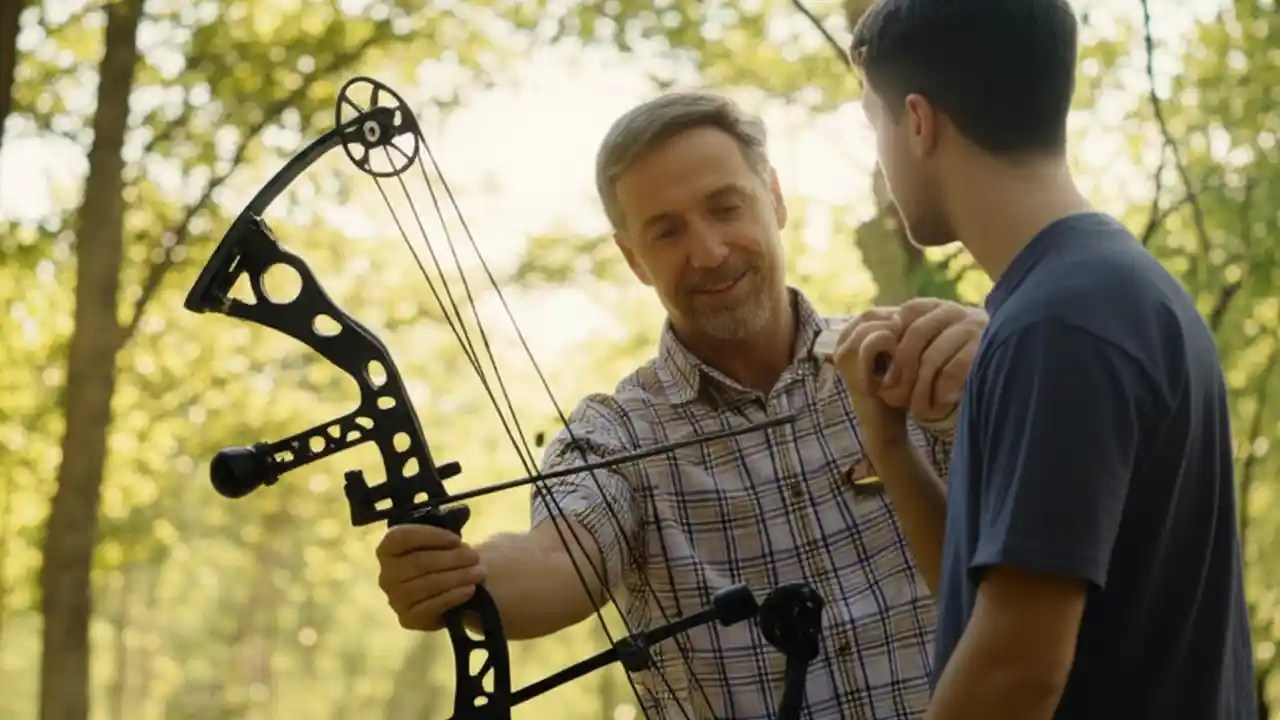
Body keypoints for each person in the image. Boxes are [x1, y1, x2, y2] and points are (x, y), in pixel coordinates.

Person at [374, 91, 988, 718]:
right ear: (634, 257)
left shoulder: (905, 361)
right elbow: (560, 560)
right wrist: (460, 578)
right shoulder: (614, 433)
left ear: (774, 197)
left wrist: (996, 377)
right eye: (666, 231)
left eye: (726, 208)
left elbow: (1042, 548)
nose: (710, 252)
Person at [830, 1, 1257, 718]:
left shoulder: (1060, 326)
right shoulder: (1098, 293)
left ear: (919, 121)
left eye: (875, 123)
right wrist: (890, 446)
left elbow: (1016, 671)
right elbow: (994, 608)